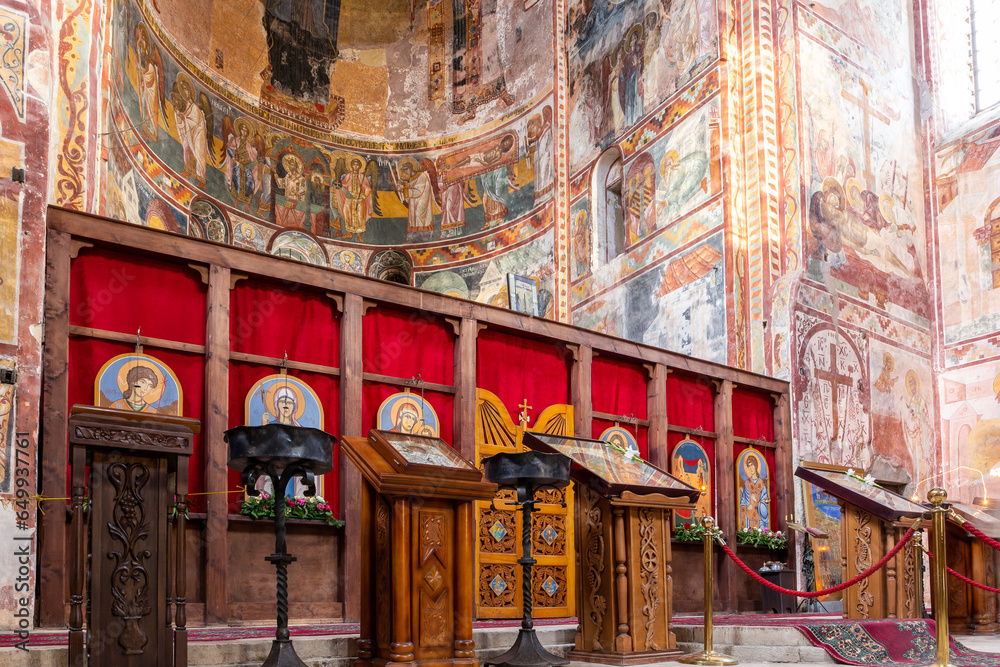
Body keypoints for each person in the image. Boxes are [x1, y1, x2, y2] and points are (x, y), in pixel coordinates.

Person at [739, 455, 768, 530]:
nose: (750, 468)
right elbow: (743, 501)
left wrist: (757, 502)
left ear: (755, 465)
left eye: (752, 465)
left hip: (759, 519)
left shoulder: (762, 485)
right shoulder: (747, 483)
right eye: (748, 466)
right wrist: (746, 507)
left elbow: (765, 503)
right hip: (749, 518)